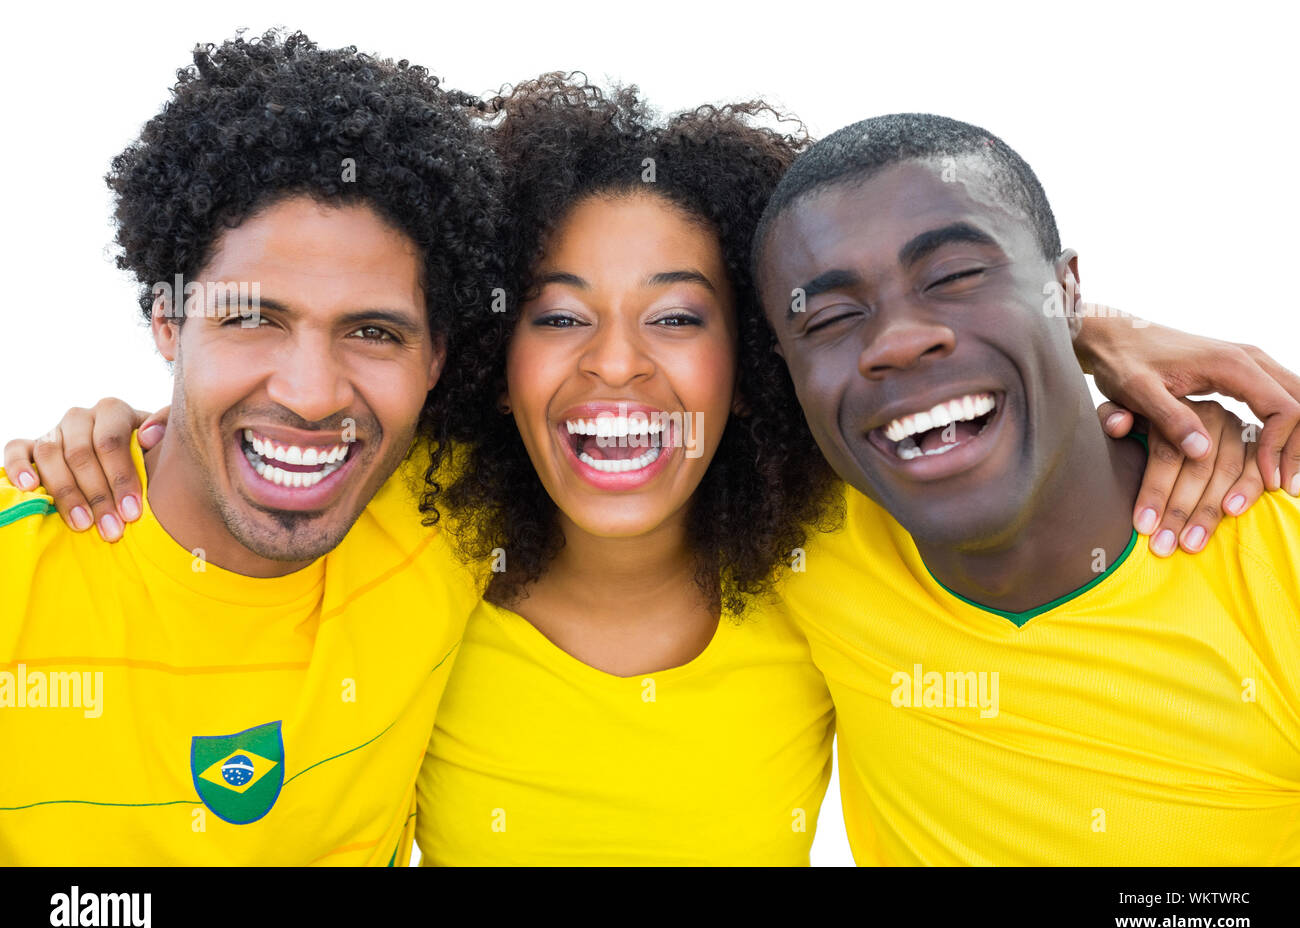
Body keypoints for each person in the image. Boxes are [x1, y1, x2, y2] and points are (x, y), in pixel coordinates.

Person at [18, 77, 1298, 867]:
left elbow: (911, 349)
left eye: (680, 317)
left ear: (750, 359)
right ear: (488, 357)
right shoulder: (403, 521)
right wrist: (119, 436)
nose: (617, 368)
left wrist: (1090, 340)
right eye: (561, 314)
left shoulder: (842, 541)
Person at [0, 31, 498, 864]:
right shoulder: (19, 579)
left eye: (373, 332)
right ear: (167, 321)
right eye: (253, 319)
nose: (311, 394)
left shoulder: (456, 513)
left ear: (436, 358)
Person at [755, 112, 1300, 864]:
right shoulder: (783, 545)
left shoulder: (1277, 567)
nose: (899, 340)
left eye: (954, 276)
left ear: (1067, 290)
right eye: (833, 317)